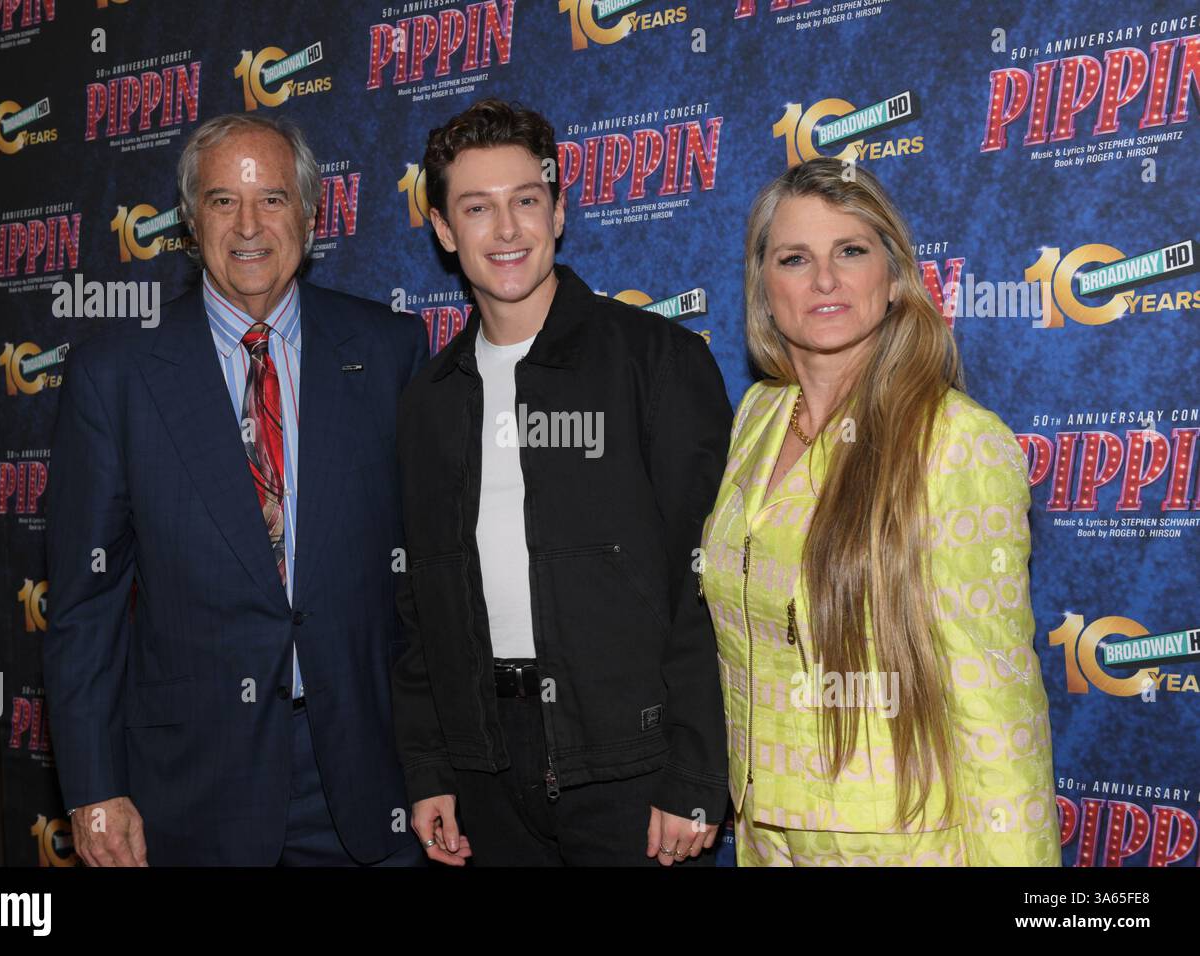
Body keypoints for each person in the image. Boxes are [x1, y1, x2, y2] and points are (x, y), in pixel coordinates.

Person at [43, 113, 428, 866]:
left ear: (311, 217)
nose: (248, 226)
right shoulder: (114, 377)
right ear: (190, 221)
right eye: (222, 201)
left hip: (364, 776)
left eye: (273, 199)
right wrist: (92, 788)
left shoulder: (388, 352)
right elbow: (84, 608)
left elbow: (428, 582)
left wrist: (443, 766)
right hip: (186, 790)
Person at [392, 98, 731, 866]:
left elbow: (708, 583)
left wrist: (696, 770)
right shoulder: (428, 401)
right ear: (445, 231)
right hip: (484, 770)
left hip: (634, 766)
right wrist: (430, 767)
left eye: (526, 201)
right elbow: (419, 602)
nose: (506, 230)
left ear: (559, 211)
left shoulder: (657, 363)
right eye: (477, 208)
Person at [701, 157, 1060, 866]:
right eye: (795, 258)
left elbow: (997, 704)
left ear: (893, 280)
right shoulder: (758, 416)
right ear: (765, 290)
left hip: (898, 842)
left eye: (852, 252)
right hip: (764, 834)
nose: (825, 280)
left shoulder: (956, 443)